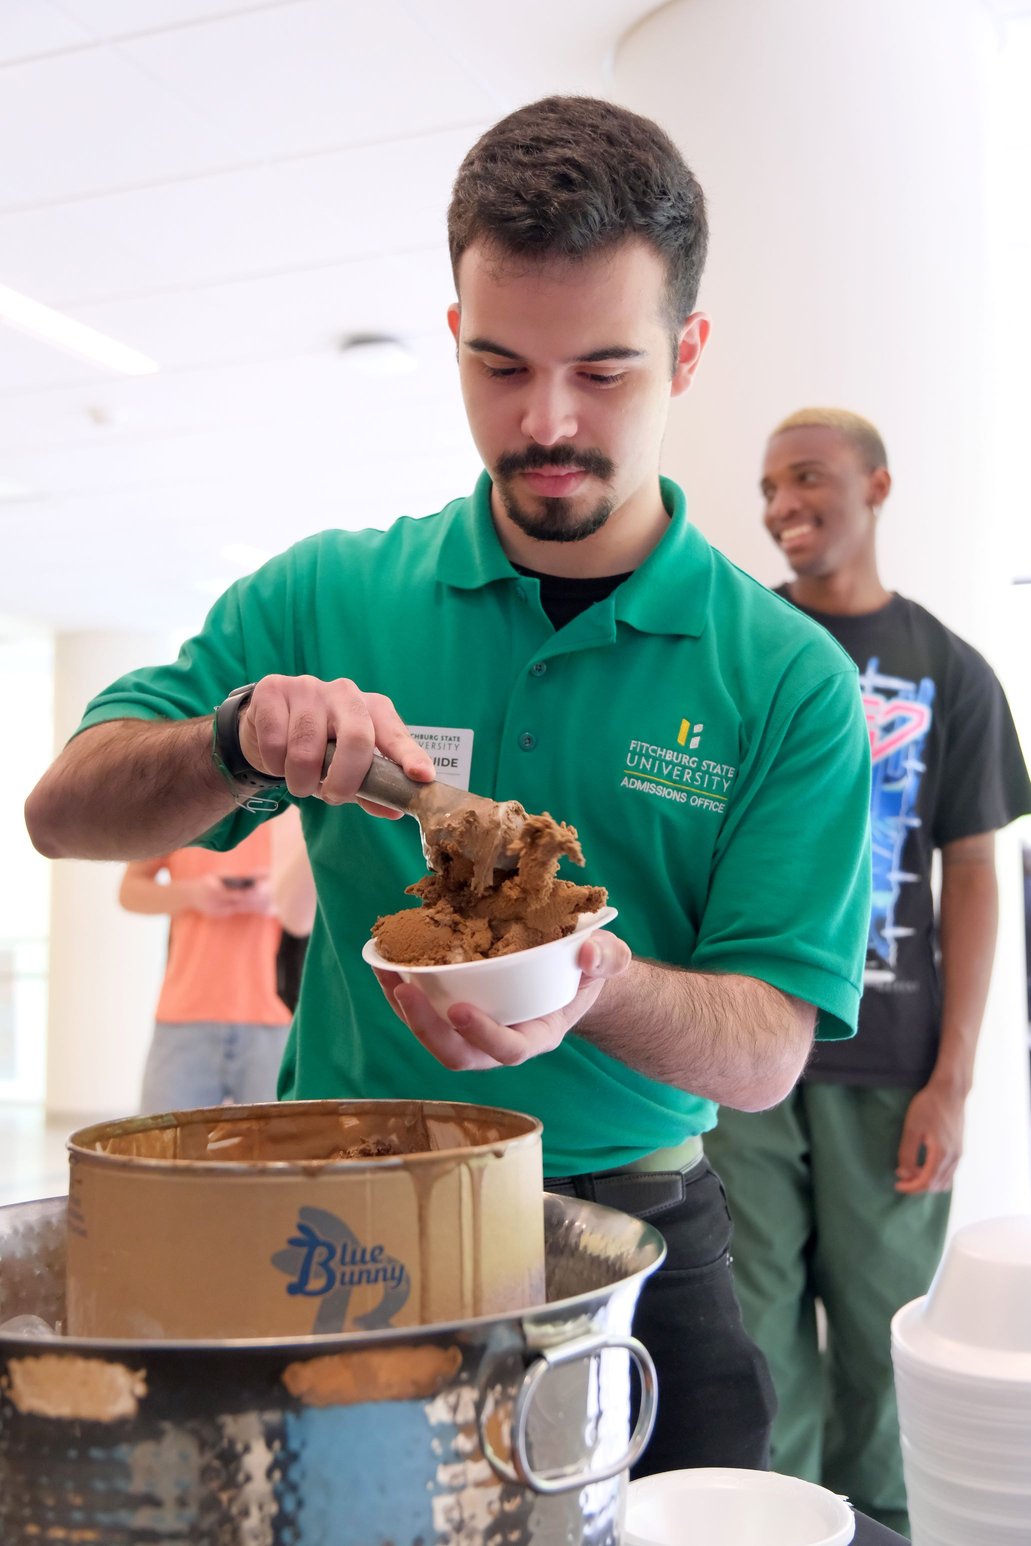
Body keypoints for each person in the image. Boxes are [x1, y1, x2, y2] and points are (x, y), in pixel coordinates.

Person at [24, 98, 873, 1476]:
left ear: (686, 351)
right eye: (500, 365)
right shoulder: (328, 596)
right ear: (455, 336)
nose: (545, 421)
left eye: (603, 372)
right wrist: (230, 739)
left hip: (634, 1238)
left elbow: (766, 1043)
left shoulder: (778, 678)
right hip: (329, 1225)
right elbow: (64, 812)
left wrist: (593, 986)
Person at [707, 407, 1031, 1533]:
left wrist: (954, 1076)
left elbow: (975, 875)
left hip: (889, 1057)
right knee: (753, 1326)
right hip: (746, 1046)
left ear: (877, 486)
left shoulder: (952, 669)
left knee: (887, 1330)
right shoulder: (739, 644)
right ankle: (777, 1518)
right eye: (765, 487)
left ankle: (882, 1525)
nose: (781, 507)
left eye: (806, 479)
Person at [120, 819, 292, 1111]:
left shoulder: (290, 808)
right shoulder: (179, 807)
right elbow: (129, 891)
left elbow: (327, 891)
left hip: (275, 1017)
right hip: (185, 1014)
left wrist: (277, 897)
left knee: (279, 1152)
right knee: (163, 1150)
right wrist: (191, 894)